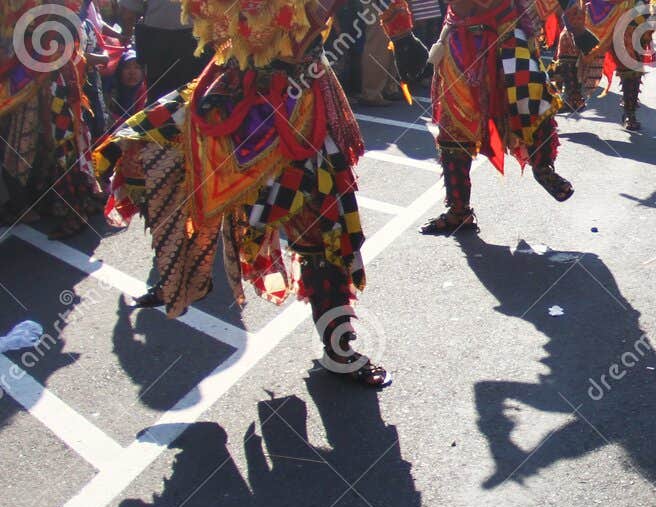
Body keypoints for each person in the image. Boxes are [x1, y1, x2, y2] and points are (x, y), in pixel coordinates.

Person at [94, 0, 393, 387]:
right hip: (235, 98)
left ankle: (338, 348)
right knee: (151, 152)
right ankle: (177, 274)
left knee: (323, 235)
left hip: (301, 110)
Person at [420, 0, 572, 235]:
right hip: (462, 41)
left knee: (534, 101)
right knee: (454, 127)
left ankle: (543, 167)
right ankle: (459, 211)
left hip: (507, 34)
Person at [0, 0, 99, 236]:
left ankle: (73, 213)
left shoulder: (53, 14)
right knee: (55, 147)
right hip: (45, 81)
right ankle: (63, 204)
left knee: (59, 147)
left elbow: (51, 52)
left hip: (52, 86)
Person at [553, 0, 652, 131]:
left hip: (623, 10)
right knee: (566, 39)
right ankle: (574, 98)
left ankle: (630, 113)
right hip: (591, 9)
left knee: (629, 55)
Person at [115, 0, 206, 99]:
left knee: (159, 95)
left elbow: (128, 14)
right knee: (194, 93)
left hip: (159, 43)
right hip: (191, 42)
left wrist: (127, 36)